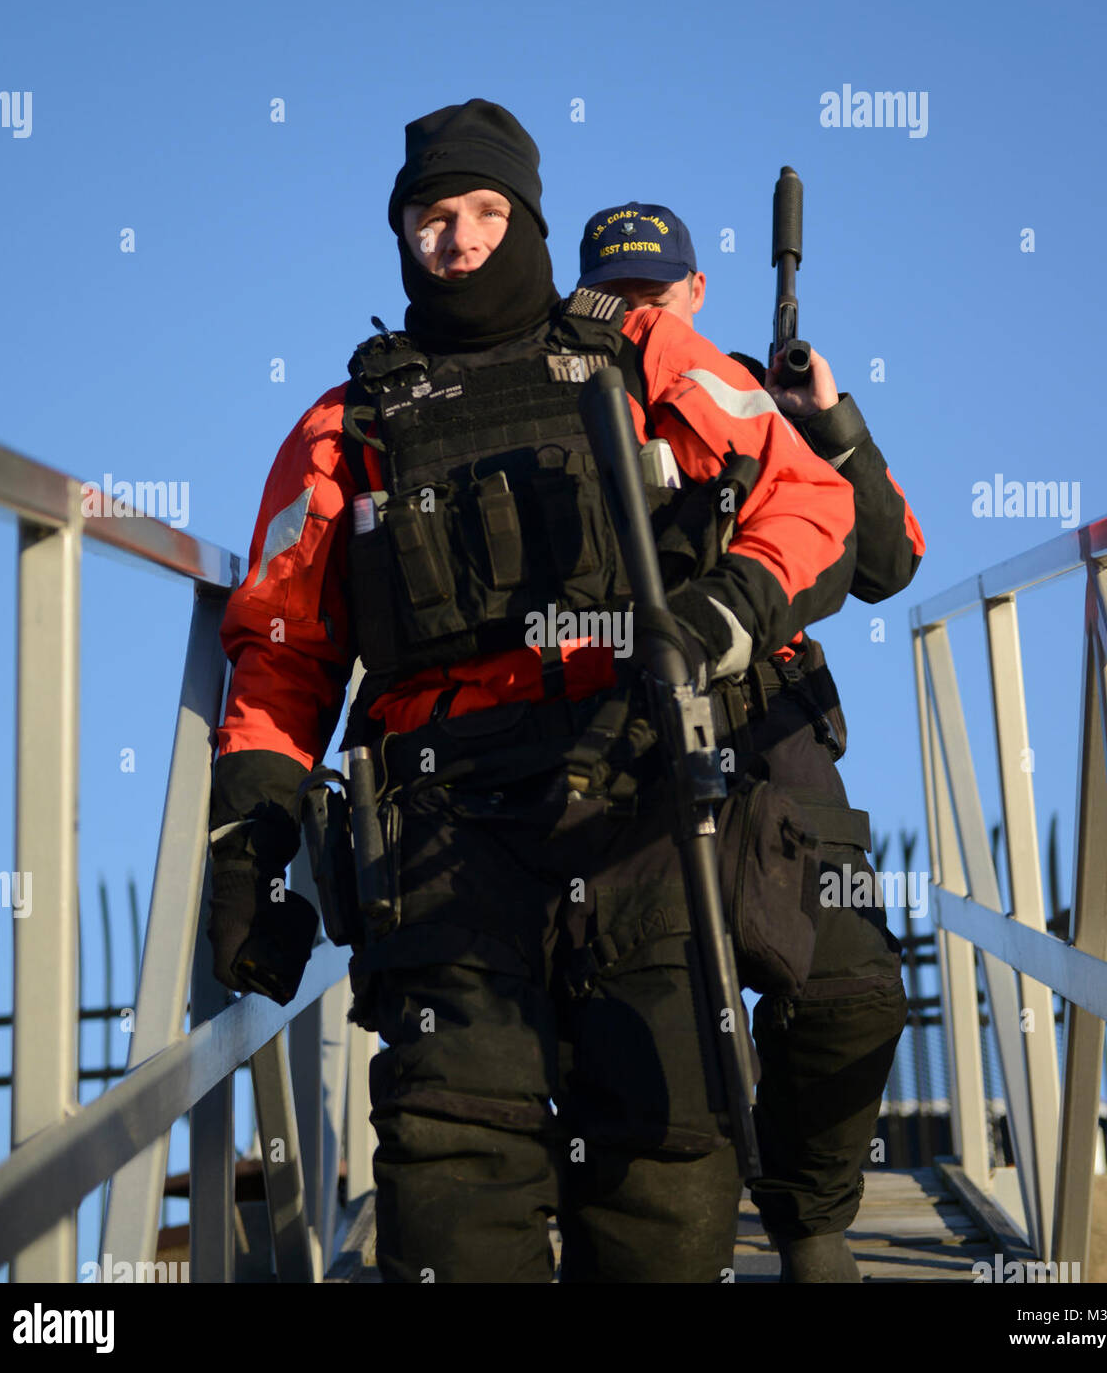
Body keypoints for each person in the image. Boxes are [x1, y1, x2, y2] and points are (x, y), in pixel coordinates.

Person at [204, 102, 859, 1284]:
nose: (457, 240)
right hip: (442, 841)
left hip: (638, 812)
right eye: (430, 218)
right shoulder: (345, 421)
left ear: (528, 218)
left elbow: (808, 497)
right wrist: (249, 843)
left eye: (483, 212)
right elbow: (283, 646)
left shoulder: (639, 350)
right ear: (401, 234)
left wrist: (720, 615)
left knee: (664, 1162)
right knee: (450, 1177)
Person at [577, 202, 925, 1281]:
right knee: (654, 1017)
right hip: (627, 730)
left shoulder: (746, 402)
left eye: (656, 290)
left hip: (772, 727)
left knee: (854, 990)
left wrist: (833, 425)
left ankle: (809, 1218)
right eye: (618, 291)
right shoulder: (560, 396)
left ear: (694, 293)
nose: (641, 310)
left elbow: (886, 564)